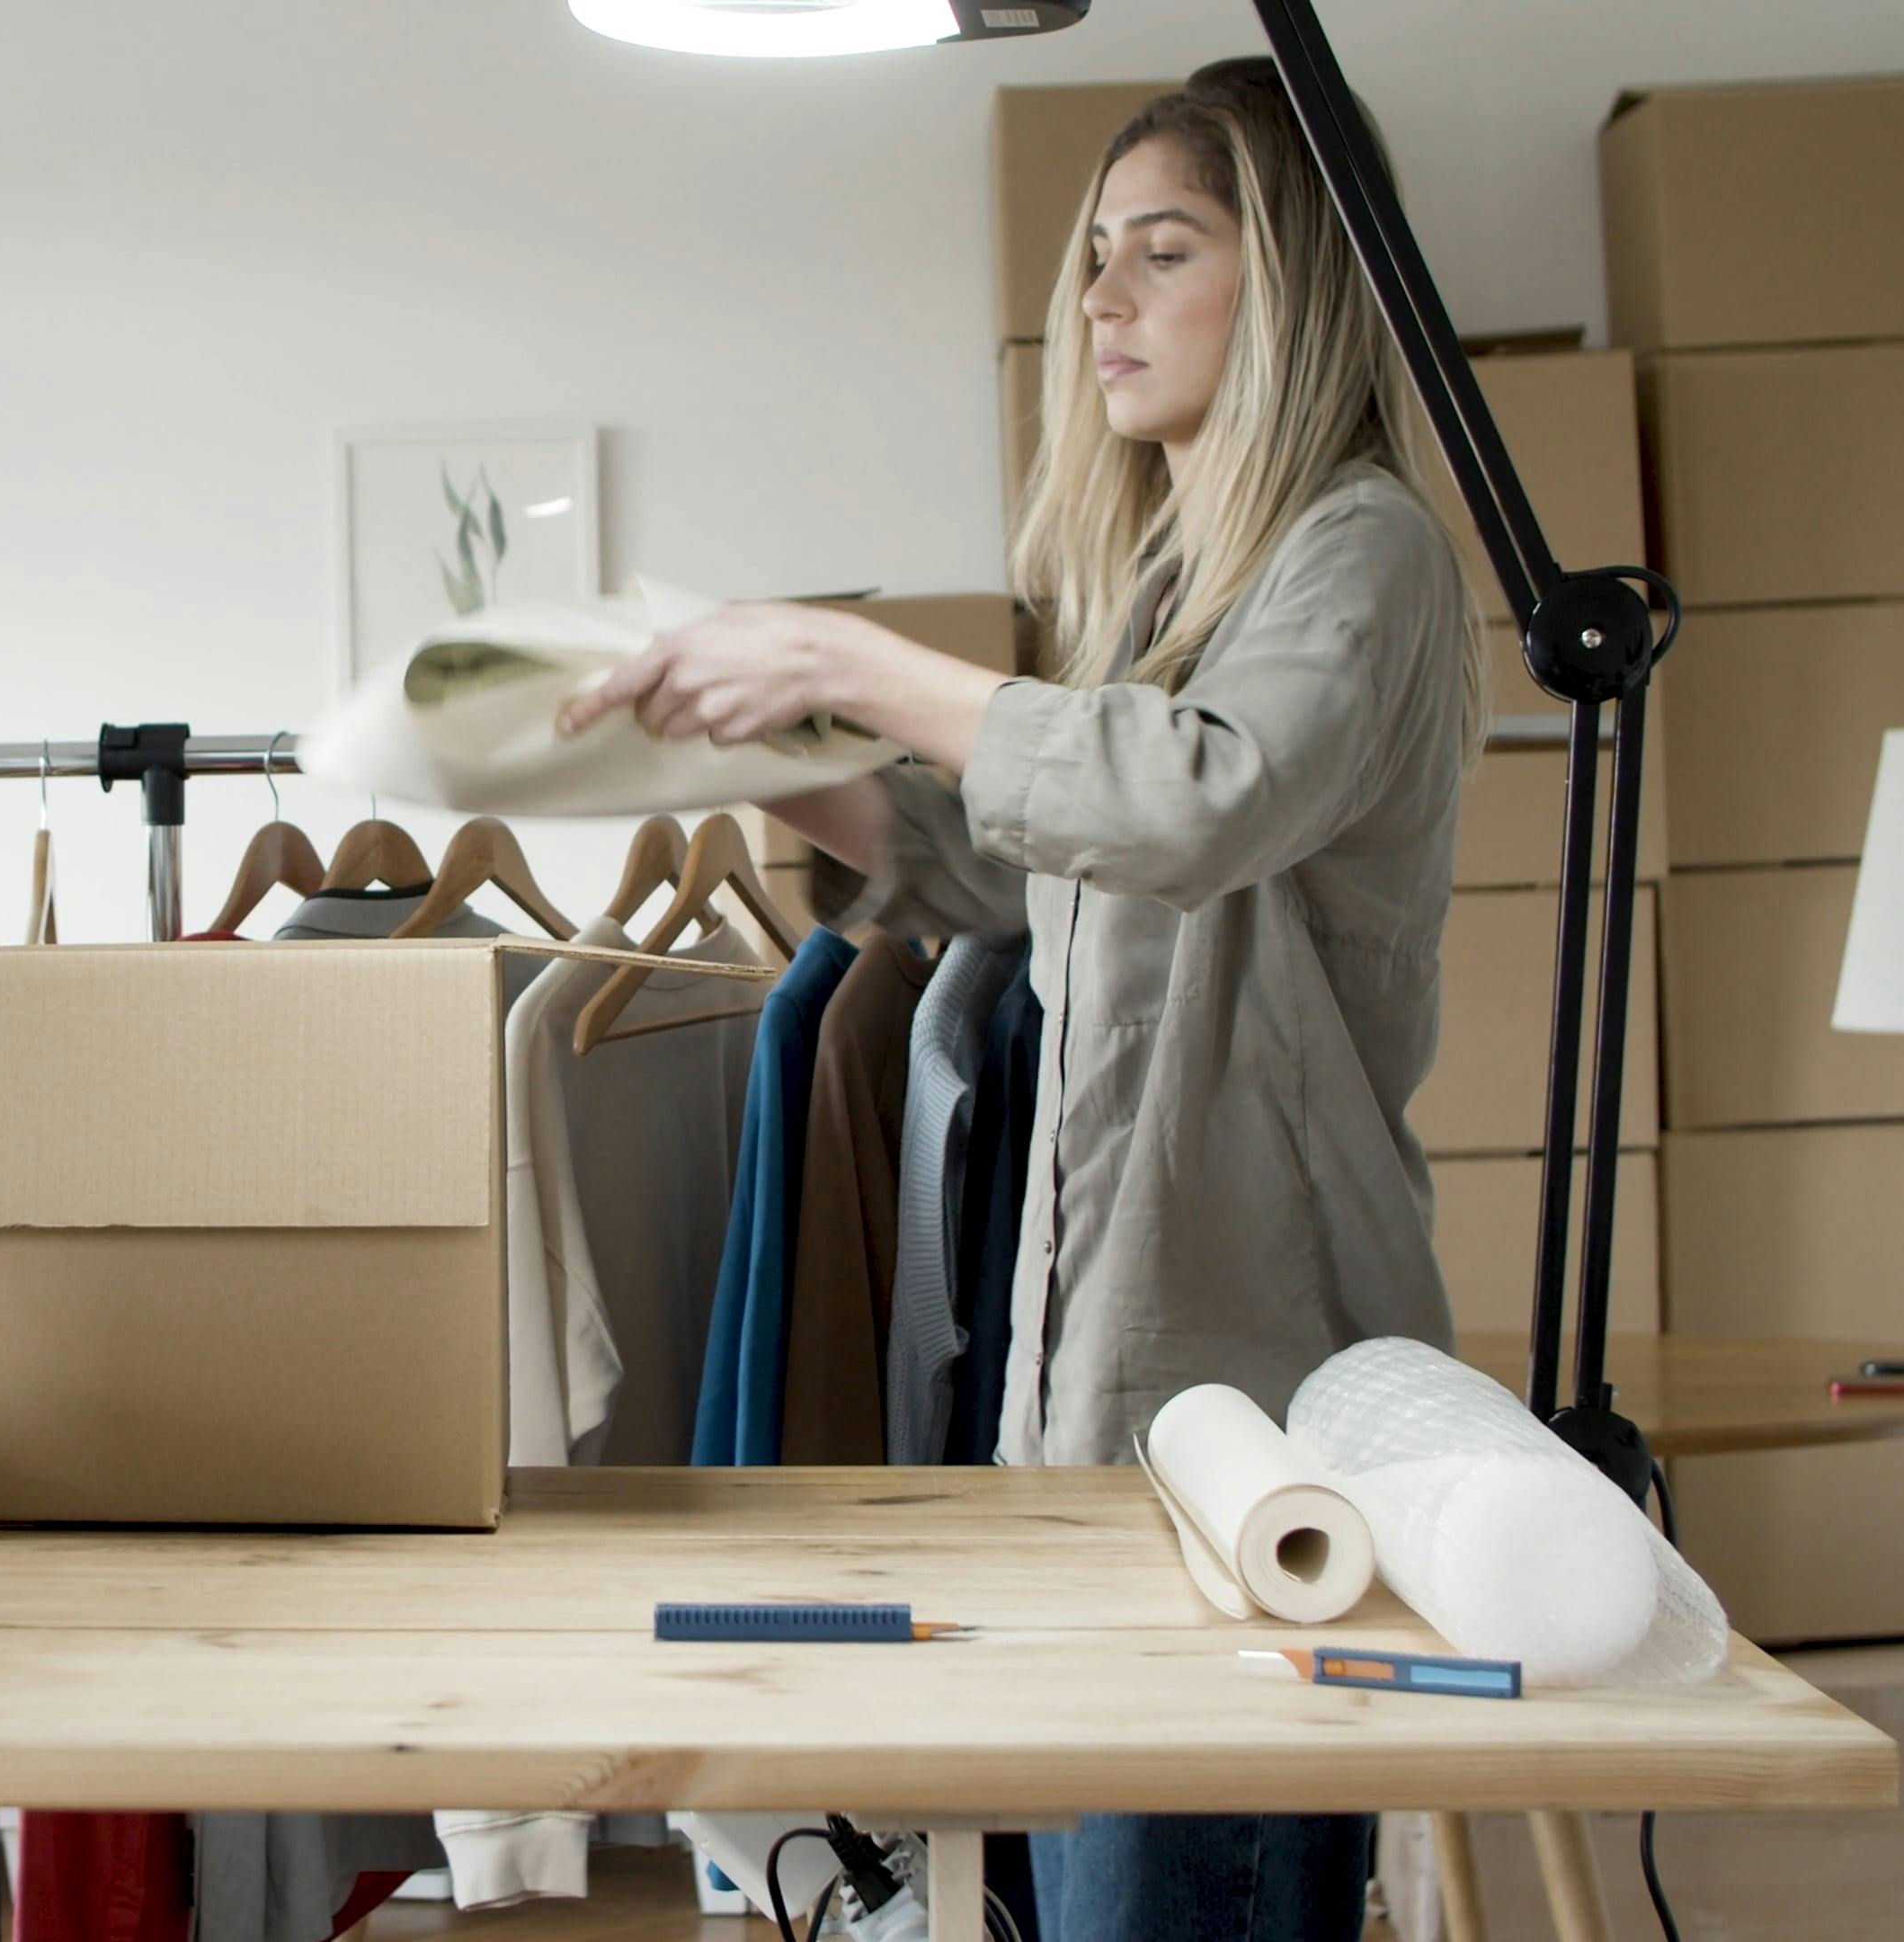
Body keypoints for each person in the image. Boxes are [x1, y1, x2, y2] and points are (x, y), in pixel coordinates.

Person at [563, 58, 1483, 1942]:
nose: (1104, 298)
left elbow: (1193, 798)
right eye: (1095, 257)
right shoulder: (1166, 586)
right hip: (1105, 1382)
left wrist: (853, 662)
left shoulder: (1362, 551)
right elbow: (1019, 879)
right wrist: (760, 760)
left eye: (1168, 251)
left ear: (1293, 284)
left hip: (1258, 1383)